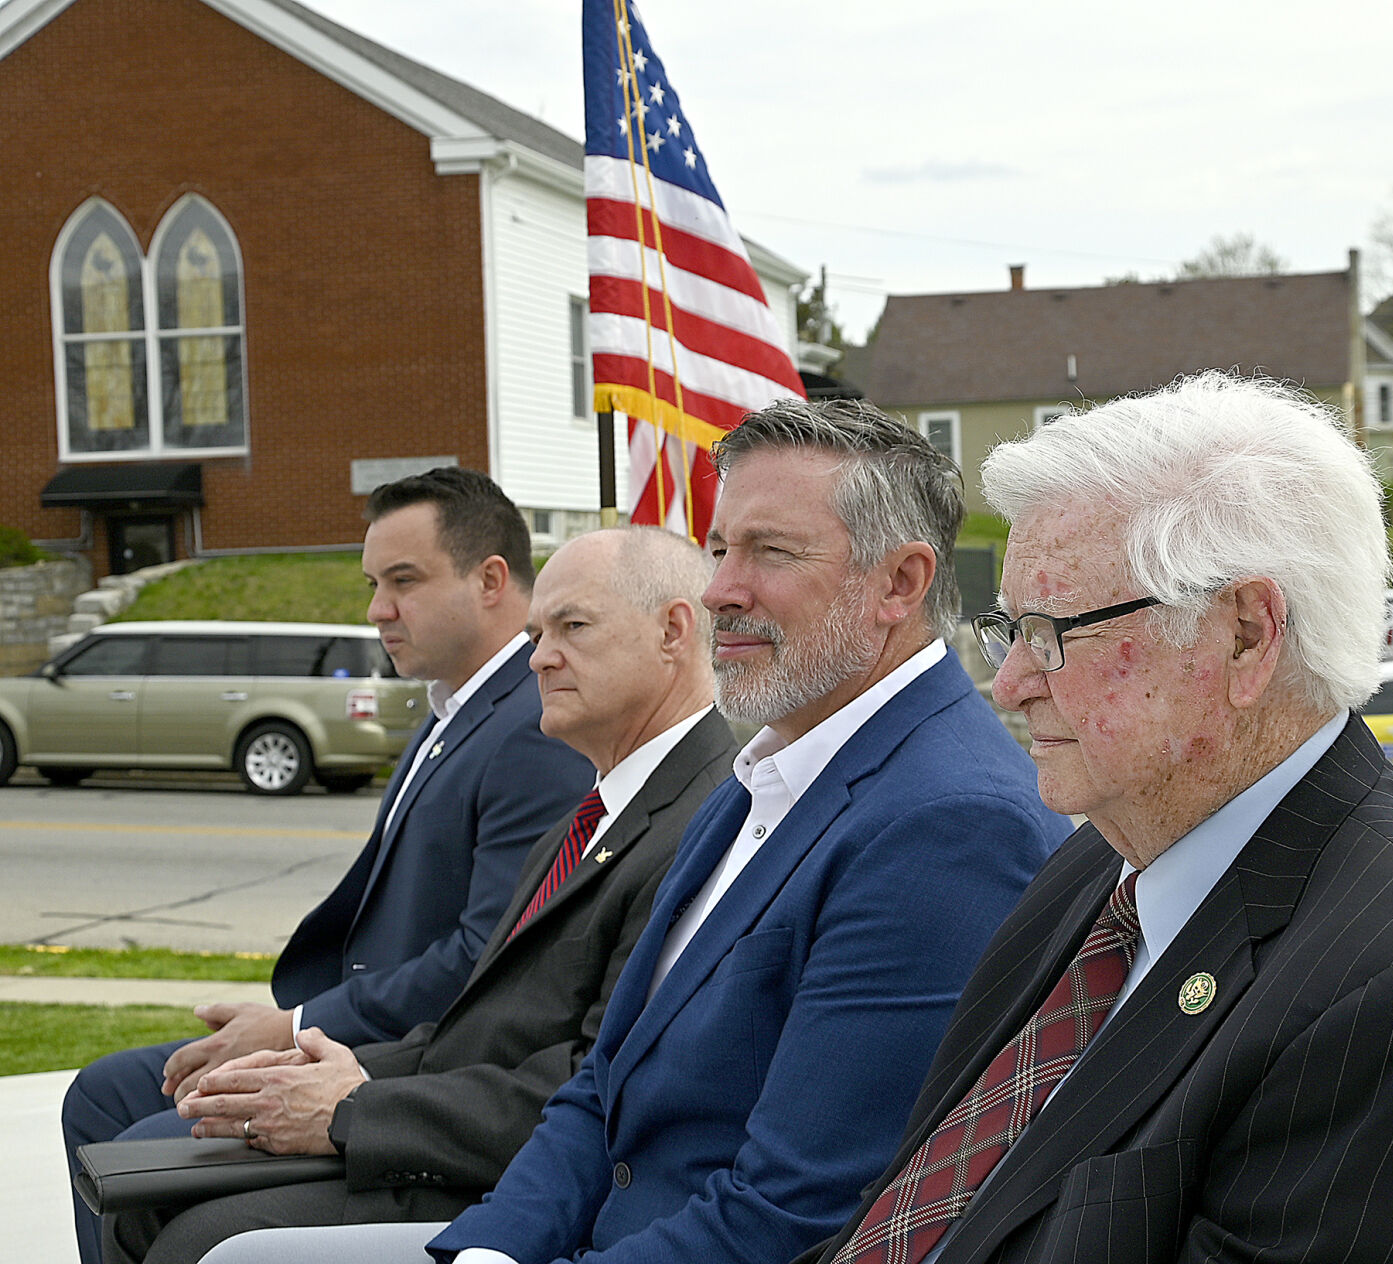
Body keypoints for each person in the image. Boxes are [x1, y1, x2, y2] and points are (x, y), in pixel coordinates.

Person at [195, 398, 1070, 1264]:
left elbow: (795, 1216)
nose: (721, 588)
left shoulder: (947, 824)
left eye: (769, 552)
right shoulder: (761, 773)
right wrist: (492, 1253)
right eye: (722, 547)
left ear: (899, 584)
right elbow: (599, 1087)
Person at [801, 371, 1393, 1264]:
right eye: (1010, 628)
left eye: (1052, 631)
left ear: (1245, 633)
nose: (1009, 684)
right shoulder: (1104, 862)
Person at [97, 526, 738, 1264]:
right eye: (535, 633)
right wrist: (335, 1072)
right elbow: (482, 1029)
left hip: (517, 1180)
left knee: (194, 1236)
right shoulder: (601, 806)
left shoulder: (702, 819)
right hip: (449, 1125)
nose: (538, 656)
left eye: (572, 627)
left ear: (672, 631)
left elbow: (598, 1083)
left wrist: (354, 1109)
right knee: (139, 1192)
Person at [63, 467, 593, 1264]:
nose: (377, 609)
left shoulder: (531, 729)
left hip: (415, 1060)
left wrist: (296, 1028)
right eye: (373, 583)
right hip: (353, 1027)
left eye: (402, 582)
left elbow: (480, 957)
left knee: (145, 1146)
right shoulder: (451, 712)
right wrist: (288, 1024)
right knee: (100, 1095)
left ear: (490, 581)